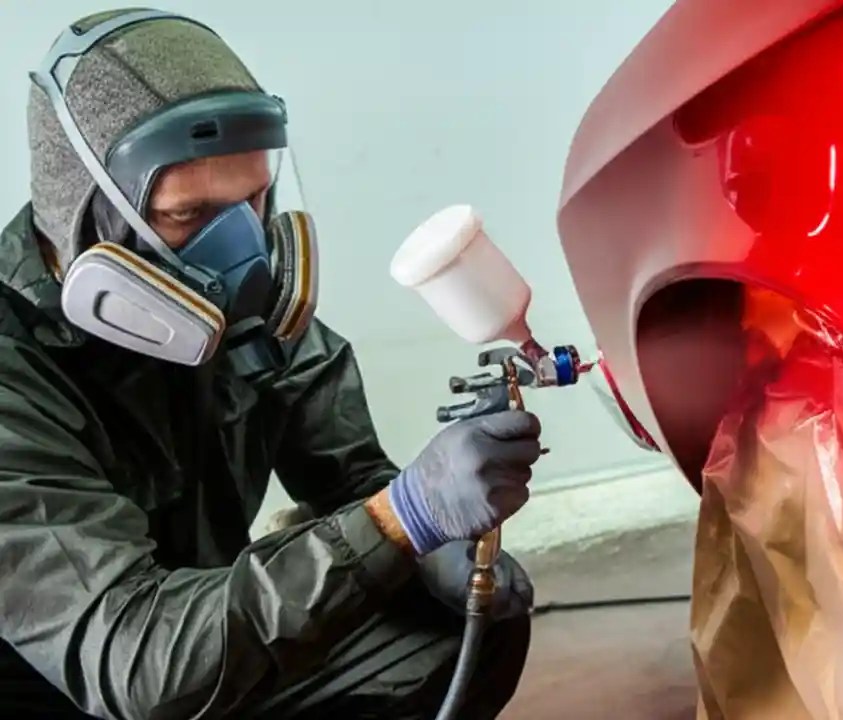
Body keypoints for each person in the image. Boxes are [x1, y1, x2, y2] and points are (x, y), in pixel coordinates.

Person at [0, 8, 543, 719]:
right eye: (190, 217)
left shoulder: (239, 312)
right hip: (91, 674)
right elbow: (135, 659)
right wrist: (402, 516)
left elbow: (350, 480)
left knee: (450, 629)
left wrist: (428, 539)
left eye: (255, 200)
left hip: (185, 654)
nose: (241, 249)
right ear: (88, 215)